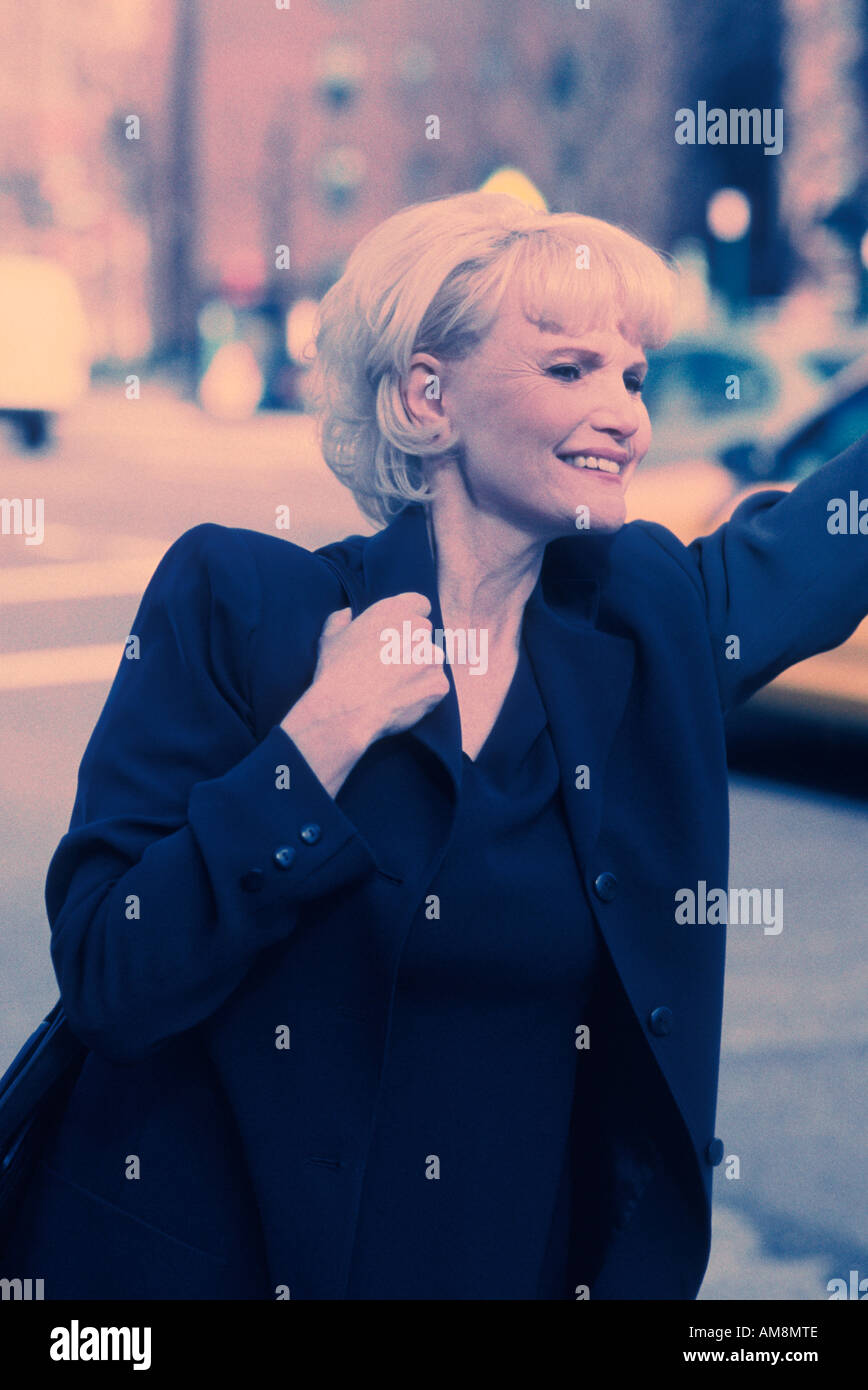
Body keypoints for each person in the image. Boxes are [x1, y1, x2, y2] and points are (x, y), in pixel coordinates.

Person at [2, 191, 866, 1299]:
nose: (626, 417)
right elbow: (111, 973)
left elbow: (832, 535)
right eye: (570, 370)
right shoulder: (238, 601)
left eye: (633, 378)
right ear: (427, 397)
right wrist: (322, 735)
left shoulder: (646, 617)